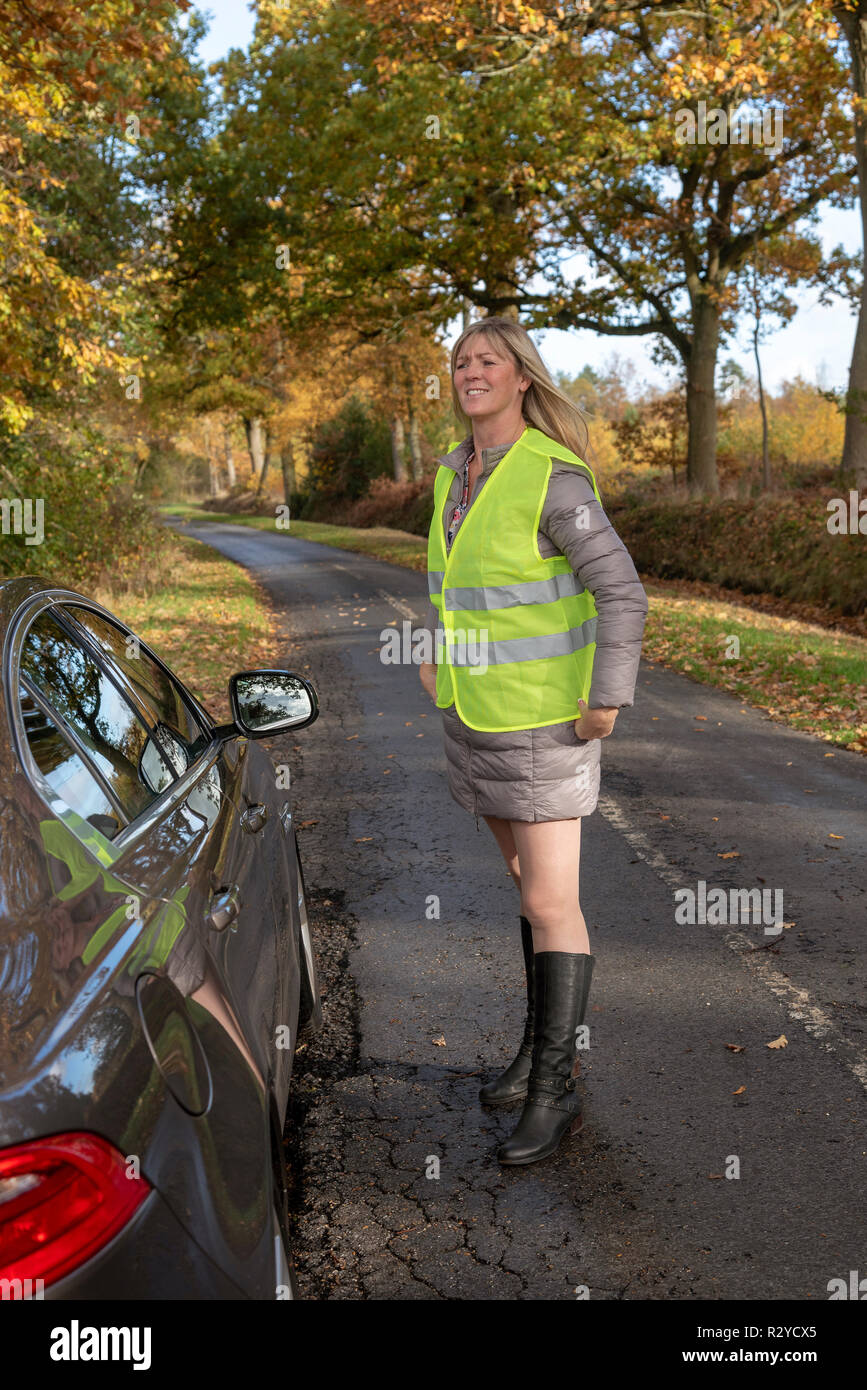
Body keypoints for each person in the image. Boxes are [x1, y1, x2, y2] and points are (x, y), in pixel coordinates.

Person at [419, 316, 648, 1165]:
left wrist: (604, 701)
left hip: (546, 723)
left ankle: (556, 1090)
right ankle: (531, 1055)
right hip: (474, 718)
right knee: (525, 887)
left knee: (552, 902)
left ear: (521, 378)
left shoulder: (552, 479)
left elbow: (620, 595)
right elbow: (455, 587)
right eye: (459, 362)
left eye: (486, 360)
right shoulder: (455, 475)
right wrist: (436, 653)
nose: (469, 371)